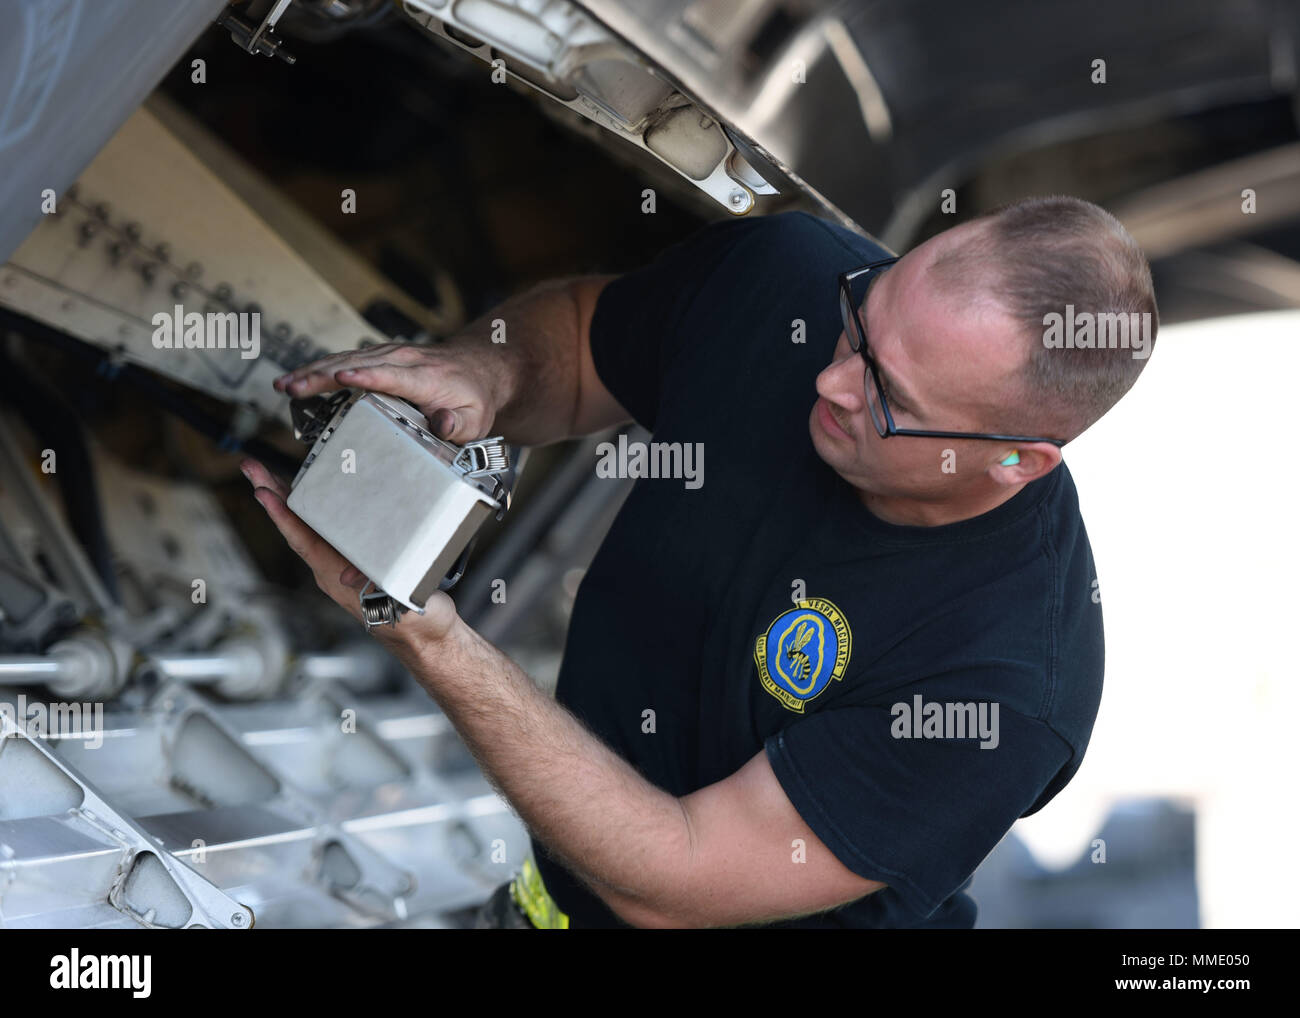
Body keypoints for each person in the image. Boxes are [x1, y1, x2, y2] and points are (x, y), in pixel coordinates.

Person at [243, 195, 1158, 928]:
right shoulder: (793, 279)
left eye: (887, 393)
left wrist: (428, 637)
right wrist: (488, 372)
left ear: (1014, 459)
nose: (831, 380)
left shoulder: (1001, 690)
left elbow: (673, 877)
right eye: (861, 322)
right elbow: (581, 338)